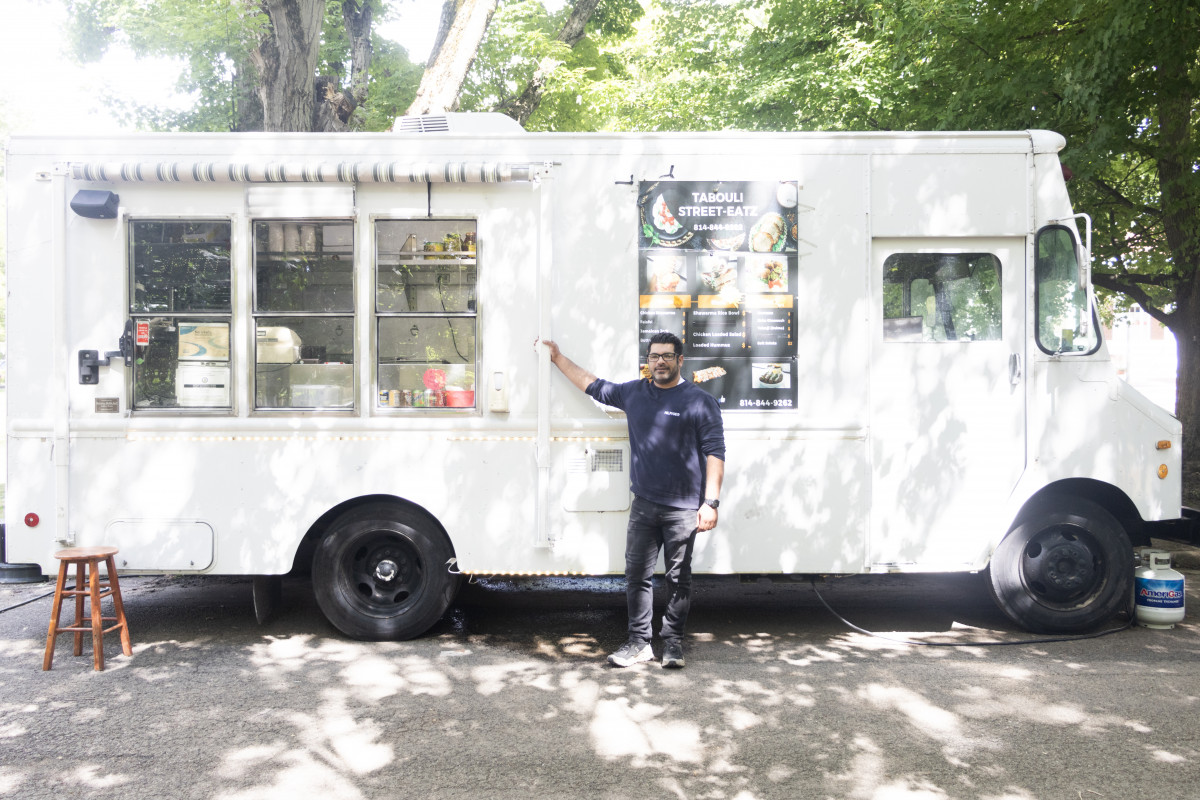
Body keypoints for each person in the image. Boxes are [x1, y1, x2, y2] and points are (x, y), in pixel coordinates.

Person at [540, 332, 725, 668]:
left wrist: (710, 503)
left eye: (668, 356)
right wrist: (557, 358)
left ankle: (672, 644)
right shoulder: (635, 393)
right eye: (655, 356)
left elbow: (715, 453)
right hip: (644, 504)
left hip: (684, 507)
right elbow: (593, 386)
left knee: (678, 578)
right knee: (636, 576)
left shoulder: (699, 401)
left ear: (680, 360)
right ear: (648, 361)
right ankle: (639, 643)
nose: (661, 362)